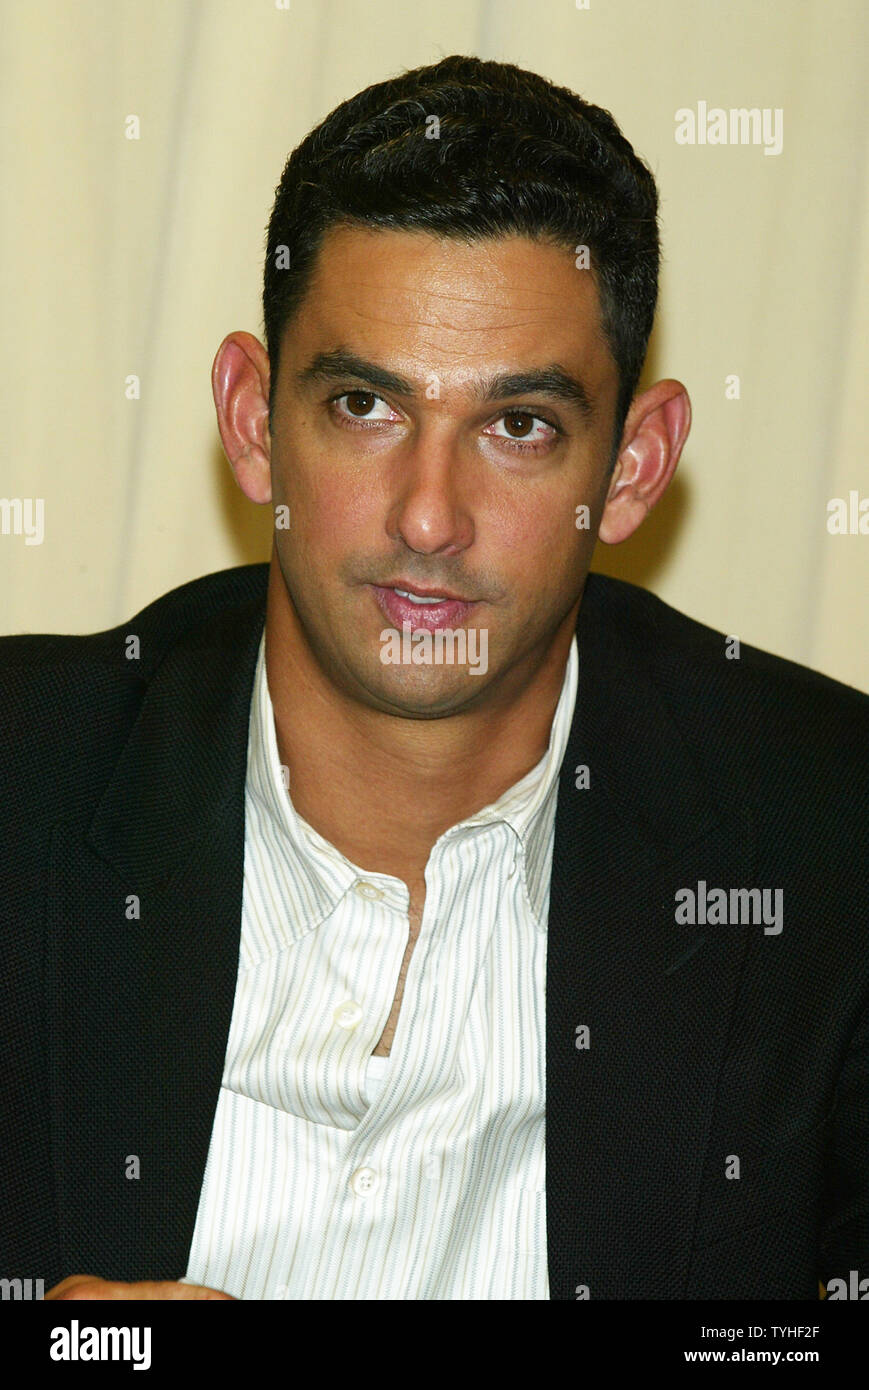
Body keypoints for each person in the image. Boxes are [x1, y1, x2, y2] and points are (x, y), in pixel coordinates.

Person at [2, 55, 866, 1303]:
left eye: (518, 425)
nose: (426, 518)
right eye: (364, 404)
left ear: (629, 470)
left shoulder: (826, 846)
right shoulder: (25, 775)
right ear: (252, 423)